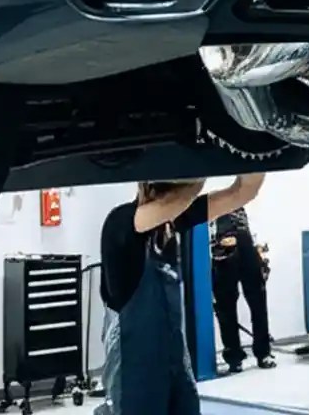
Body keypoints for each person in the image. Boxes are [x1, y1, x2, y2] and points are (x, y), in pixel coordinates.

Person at [99, 174, 265, 415]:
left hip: (174, 360)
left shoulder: (175, 220)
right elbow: (173, 203)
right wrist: (200, 167)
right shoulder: (121, 221)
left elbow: (242, 192)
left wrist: (258, 156)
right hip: (133, 369)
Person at [210, 207, 274, 373]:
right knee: (226, 308)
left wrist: (260, 252)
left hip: (246, 246)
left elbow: (257, 235)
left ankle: (263, 353)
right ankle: (234, 357)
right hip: (222, 252)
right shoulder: (212, 206)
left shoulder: (244, 204)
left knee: (258, 304)